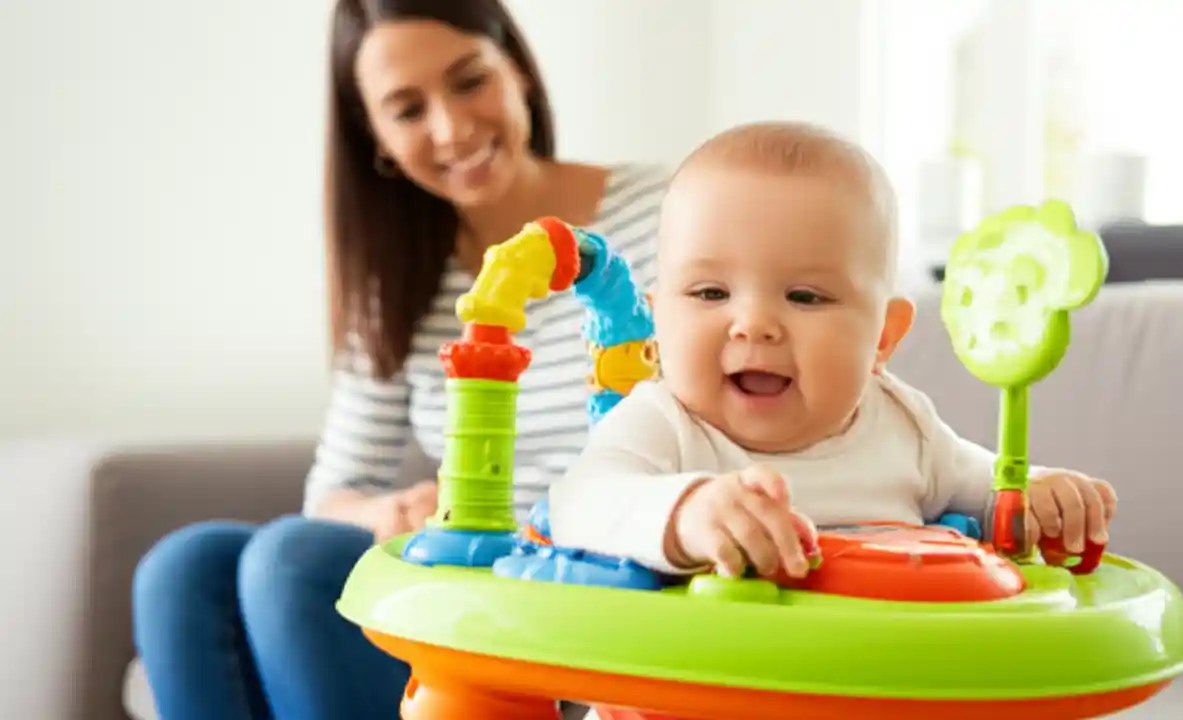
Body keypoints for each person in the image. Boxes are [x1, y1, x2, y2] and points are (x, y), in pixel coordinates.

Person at [131, 1, 668, 718]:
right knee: (185, 567)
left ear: (518, 70)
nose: (450, 128)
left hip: (584, 583)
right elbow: (335, 491)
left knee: (292, 560)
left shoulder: (668, 210)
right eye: (407, 110)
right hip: (463, 571)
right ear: (375, 137)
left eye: (469, 81)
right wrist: (389, 510)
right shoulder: (398, 280)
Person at [548, 121, 1118, 587]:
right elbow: (581, 502)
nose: (754, 324)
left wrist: (1040, 494)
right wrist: (687, 513)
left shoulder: (904, 426)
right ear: (659, 321)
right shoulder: (663, 424)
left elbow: (989, 482)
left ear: (882, 338)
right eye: (710, 293)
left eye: (804, 296)